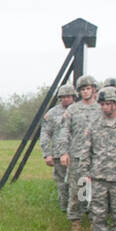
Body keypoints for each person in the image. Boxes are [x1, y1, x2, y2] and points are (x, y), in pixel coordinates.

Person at [76, 87, 116, 231]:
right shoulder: (94, 125)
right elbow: (86, 150)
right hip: (98, 178)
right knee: (98, 217)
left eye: (108, 104)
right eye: (102, 104)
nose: (105, 107)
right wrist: (85, 173)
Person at [56, 74, 101, 231]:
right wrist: (63, 152)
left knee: (95, 191)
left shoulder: (101, 108)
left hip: (97, 158)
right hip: (77, 156)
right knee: (75, 191)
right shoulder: (72, 110)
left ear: (94, 90)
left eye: (88, 88)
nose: (86, 92)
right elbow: (64, 132)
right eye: (83, 89)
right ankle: (75, 222)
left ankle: (94, 221)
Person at [40, 83, 77, 212]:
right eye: (63, 97)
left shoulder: (80, 110)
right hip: (58, 155)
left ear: (73, 96)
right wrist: (47, 154)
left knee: (82, 183)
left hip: (78, 155)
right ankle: (64, 209)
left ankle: (83, 209)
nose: (66, 99)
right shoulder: (52, 113)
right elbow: (45, 133)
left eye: (68, 96)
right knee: (62, 184)